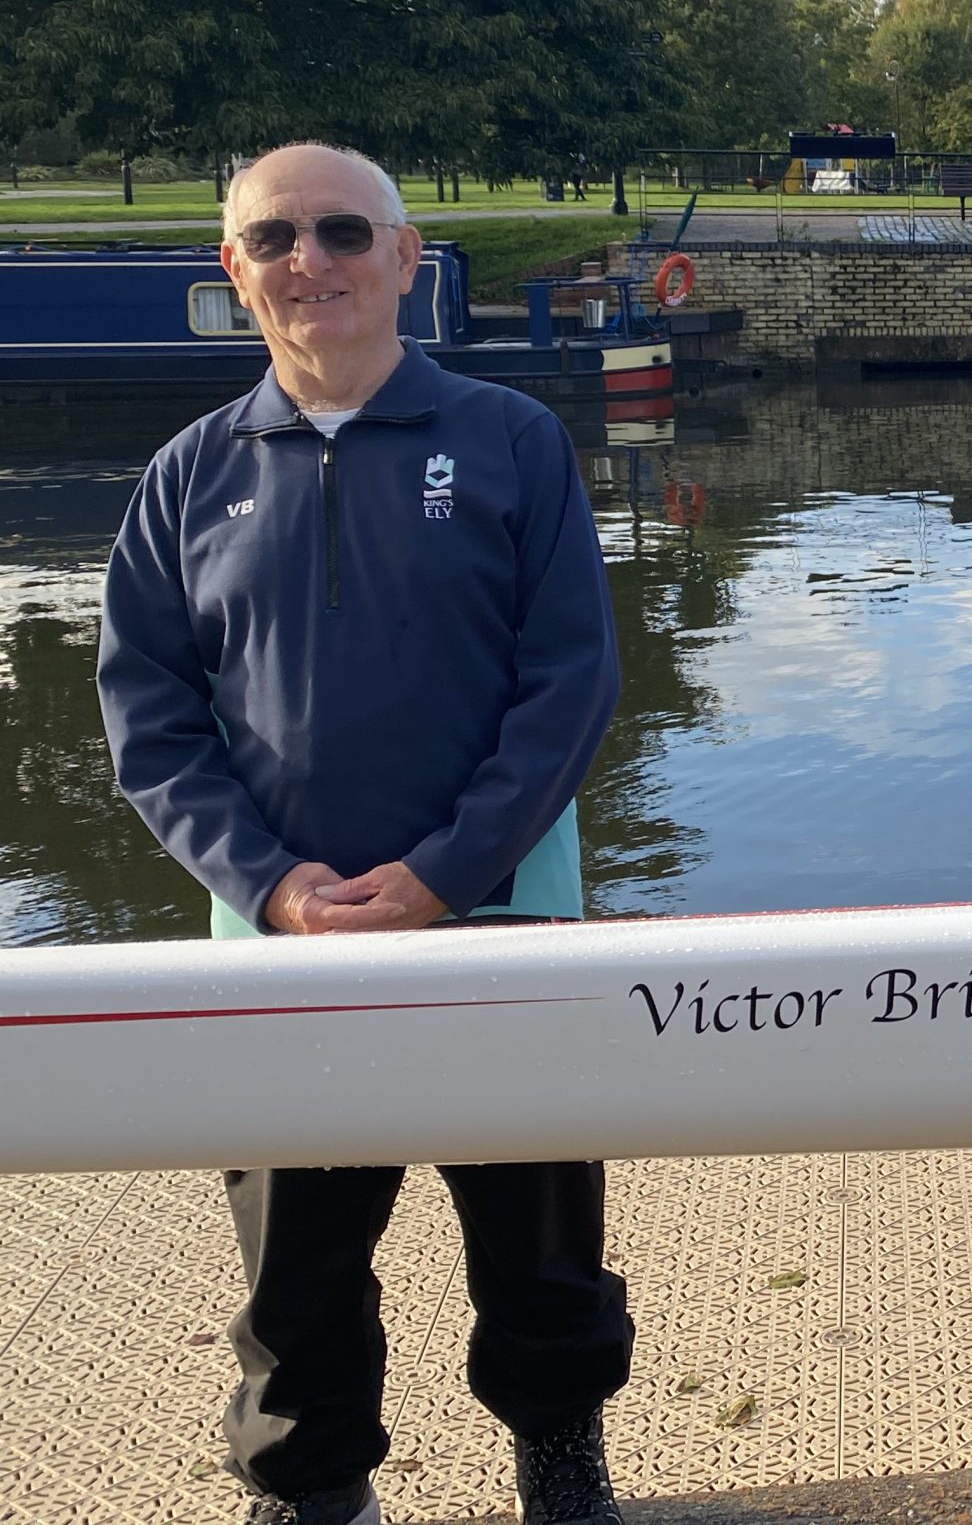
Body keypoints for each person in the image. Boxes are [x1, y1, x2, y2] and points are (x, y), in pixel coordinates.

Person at [96, 143, 634, 1525]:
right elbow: (151, 720)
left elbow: (570, 681)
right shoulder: (184, 477)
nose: (311, 262)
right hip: (281, 950)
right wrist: (272, 885)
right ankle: (313, 1482)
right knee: (298, 1263)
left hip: (503, 924)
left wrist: (447, 873)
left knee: (541, 1241)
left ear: (405, 259)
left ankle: (559, 1452)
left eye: (343, 232)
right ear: (235, 271)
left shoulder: (511, 441)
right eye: (276, 239)